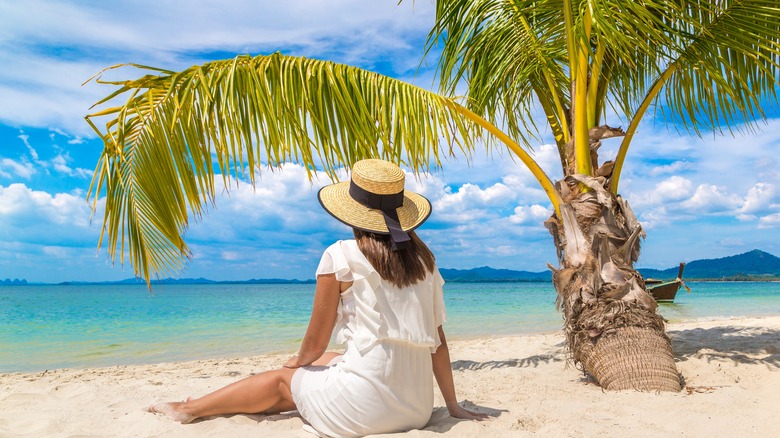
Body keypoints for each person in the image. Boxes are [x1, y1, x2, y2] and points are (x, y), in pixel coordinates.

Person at [148, 159, 487, 436]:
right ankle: (263, 398)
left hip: (364, 412)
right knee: (329, 358)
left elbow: (314, 341)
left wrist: (295, 362)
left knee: (284, 378)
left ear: (353, 211)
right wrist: (451, 405)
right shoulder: (425, 262)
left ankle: (189, 409)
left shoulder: (340, 254)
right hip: (416, 412)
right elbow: (438, 342)